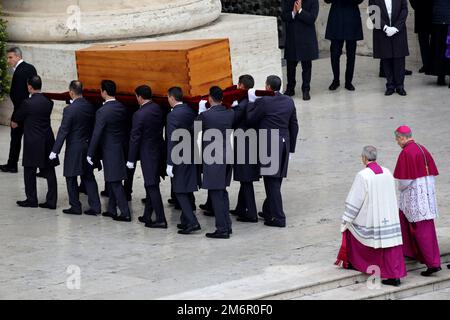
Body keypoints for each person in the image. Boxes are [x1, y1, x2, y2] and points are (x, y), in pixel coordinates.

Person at [336, 146, 406, 287]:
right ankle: (394, 275)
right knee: (390, 244)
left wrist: (347, 218)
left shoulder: (363, 175)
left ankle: (355, 263)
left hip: (373, 217)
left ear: (364, 158)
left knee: (351, 228)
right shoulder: (387, 172)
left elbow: (355, 200)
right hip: (388, 215)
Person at [247, 75, 299, 228]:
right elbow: (294, 125)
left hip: (269, 145)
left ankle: (278, 217)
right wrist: (291, 149)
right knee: (276, 181)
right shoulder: (289, 101)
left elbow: (251, 120)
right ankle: (269, 210)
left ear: (268, 87)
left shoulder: (264, 101)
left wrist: (251, 103)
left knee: (272, 183)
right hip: (284, 144)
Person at [393, 126, 442, 276]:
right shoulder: (422, 148)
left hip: (415, 197)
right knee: (404, 219)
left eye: (397, 139)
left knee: (422, 231)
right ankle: (409, 251)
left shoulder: (406, 153)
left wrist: (400, 188)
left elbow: (404, 181)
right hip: (426, 196)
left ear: (402, 137)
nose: (397, 142)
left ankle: (433, 264)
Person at [50, 80, 101, 216]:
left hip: (74, 148)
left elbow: (63, 131)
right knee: (89, 177)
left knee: (70, 177)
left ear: (71, 92)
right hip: (88, 146)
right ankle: (96, 207)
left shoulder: (69, 110)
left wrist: (55, 151)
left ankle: (75, 206)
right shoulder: (90, 106)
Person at [87, 80, 131, 222]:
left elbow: (96, 133)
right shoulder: (122, 107)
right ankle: (112, 209)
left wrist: (90, 153)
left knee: (115, 182)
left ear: (104, 92)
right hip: (120, 148)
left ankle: (125, 212)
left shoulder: (102, 111)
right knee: (112, 180)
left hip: (110, 150)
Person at [14, 75, 58, 209]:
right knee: (49, 171)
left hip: (33, 141)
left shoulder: (27, 103)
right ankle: (51, 201)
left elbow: (18, 117)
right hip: (48, 139)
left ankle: (31, 199)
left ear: (29, 87)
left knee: (29, 170)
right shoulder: (49, 102)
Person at [127, 85, 167, 228]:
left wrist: (131, 159)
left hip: (148, 154)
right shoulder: (158, 108)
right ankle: (147, 215)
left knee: (151, 185)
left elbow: (135, 138)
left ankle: (161, 219)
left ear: (139, 97)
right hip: (158, 151)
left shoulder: (139, 114)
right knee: (151, 184)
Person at [197, 86, 235, 239]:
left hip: (213, 159)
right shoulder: (230, 113)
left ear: (210, 98)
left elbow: (193, 130)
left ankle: (222, 229)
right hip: (227, 156)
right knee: (222, 193)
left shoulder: (206, 116)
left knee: (216, 195)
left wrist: (200, 112)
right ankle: (227, 225)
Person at [166, 87, 201, 234]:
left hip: (179, 156)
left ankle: (193, 222)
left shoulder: (172, 116)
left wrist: (169, 162)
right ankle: (185, 220)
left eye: (168, 97)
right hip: (191, 153)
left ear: (172, 98)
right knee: (186, 187)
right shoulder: (190, 111)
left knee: (179, 190)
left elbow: (171, 140)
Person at [0, 47, 37, 173]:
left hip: (22, 112)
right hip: (32, 109)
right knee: (33, 139)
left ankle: (12, 165)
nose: (8, 60)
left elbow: (19, 98)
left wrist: (16, 117)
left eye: (10, 57)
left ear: (17, 56)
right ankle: (40, 167)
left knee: (15, 138)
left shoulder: (20, 72)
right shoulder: (31, 67)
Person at [230, 75, 259, 223]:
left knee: (246, 179)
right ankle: (241, 207)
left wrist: (232, 107)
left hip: (244, 145)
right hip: (251, 142)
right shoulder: (254, 101)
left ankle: (251, 213)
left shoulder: (242, 104)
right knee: (244, 178)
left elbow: (233, 120)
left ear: (241, 86)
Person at [369, 0, 409, 96]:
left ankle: (400, 86)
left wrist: (396, 28)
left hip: (398, 30)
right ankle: (390, 86)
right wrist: (385, 28)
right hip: (382, 30)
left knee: (399, 58)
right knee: (386, 58)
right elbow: (372, 12)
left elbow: (404, 10)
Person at [281, 0, 319, 100]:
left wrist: (300, 11)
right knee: (290, 66)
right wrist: (293, 12)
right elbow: (284, 16)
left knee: (306, 67)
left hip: (306, 39)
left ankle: (306, 90)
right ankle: (290, 89)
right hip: (292, 39)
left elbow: (312, 19)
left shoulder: (313, 1)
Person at [325, 0, 364, 91]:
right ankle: (336, 80)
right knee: (334, 53)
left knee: (351, 54)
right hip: (336, 18)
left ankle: (348, 82)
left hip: (351, 18)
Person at [427, 0, 450, 87]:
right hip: (437, 20)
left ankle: (442, 75)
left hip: (446, 21)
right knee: (439, 50)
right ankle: (441, 75)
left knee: (448, 51)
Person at [409, 0, 434, 73]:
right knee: (427, 42)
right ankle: (429, 65)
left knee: (424, 42)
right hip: (430, 13)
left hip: (422, 14)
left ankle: (427, 65)